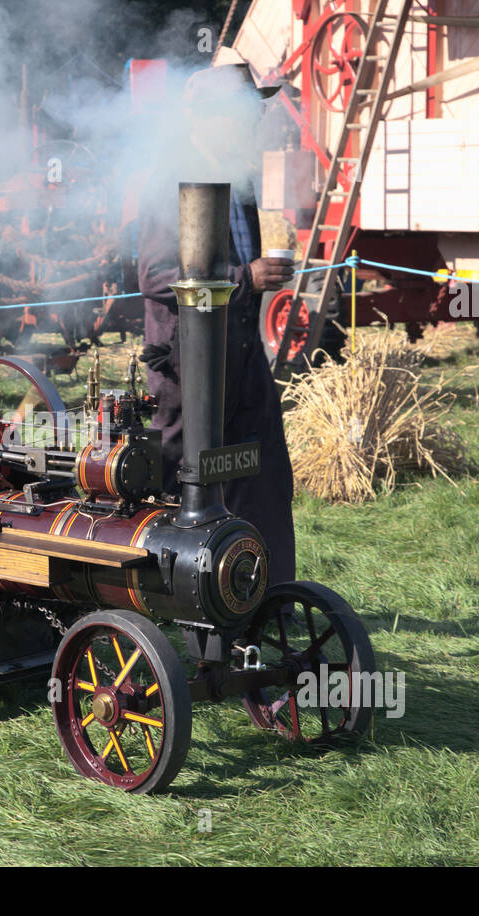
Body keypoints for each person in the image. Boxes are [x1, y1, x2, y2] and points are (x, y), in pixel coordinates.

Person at [135, 64, 297, 588]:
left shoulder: (241, 182)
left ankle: (266, 596)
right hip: (188, 369)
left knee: (264, 479)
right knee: (178, 485)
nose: (254, 121)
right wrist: (244, 277)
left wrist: (255, 279)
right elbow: (156, 277)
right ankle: (169, 593)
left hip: (244, 360)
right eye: (246, 111)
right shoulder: (169, 183)